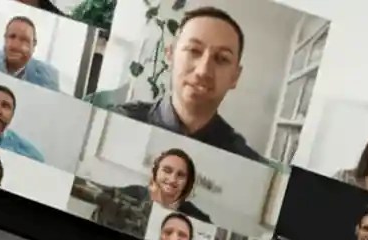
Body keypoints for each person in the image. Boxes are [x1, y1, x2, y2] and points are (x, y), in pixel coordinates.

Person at [113, 7, 264, 162]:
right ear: (170, 55)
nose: (203, 71)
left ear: (235, 77)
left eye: (222, 59)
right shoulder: (117, 124)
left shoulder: (245, 161)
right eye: (194, 50)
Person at [112, 148, 212, 223]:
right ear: (155, 172)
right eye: (167, 171)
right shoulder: (130, 194)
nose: (172, 179)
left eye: (180, 175)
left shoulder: (198, 218)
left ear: (188, 182)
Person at [0, 16, 61, 92]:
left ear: (34, 45)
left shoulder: (47, 79)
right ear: (5, 38)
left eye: (24, 40)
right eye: (12, 37)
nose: (15, 46)